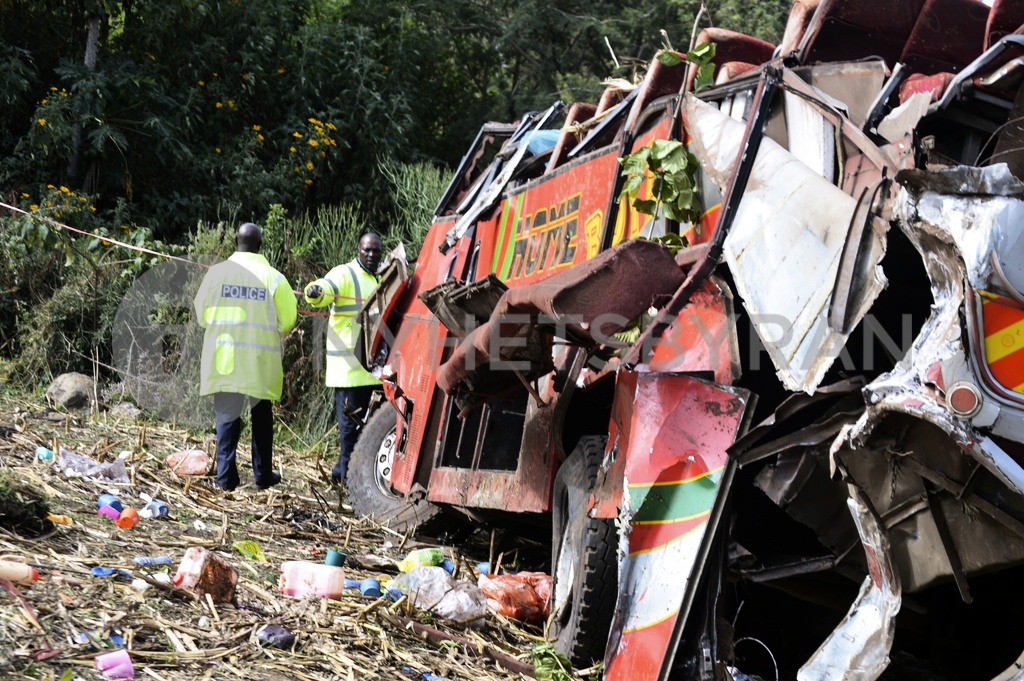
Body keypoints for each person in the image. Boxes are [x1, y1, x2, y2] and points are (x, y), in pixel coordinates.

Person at [193, 222, 297, 491]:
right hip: (260, 363)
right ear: (260, 245)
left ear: (235, 243)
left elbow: (202, 315)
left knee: (227, 419)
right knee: (262, 419)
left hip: (225, 361)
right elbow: (287, 321)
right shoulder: (274, 278)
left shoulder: (216, 274)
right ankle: (262, 475)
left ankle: (226, 478)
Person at [304, 231, 383, 486]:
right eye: (366, 250)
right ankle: (345, 478)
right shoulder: (345, 273)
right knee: (350, 431)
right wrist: (315, 291)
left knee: (369, 430)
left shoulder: (381, 278)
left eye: (375, 251)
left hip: (373, 372)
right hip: (349, 370)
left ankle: (348, 475)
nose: (371, 255)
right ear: (358, 250)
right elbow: (326, 288)